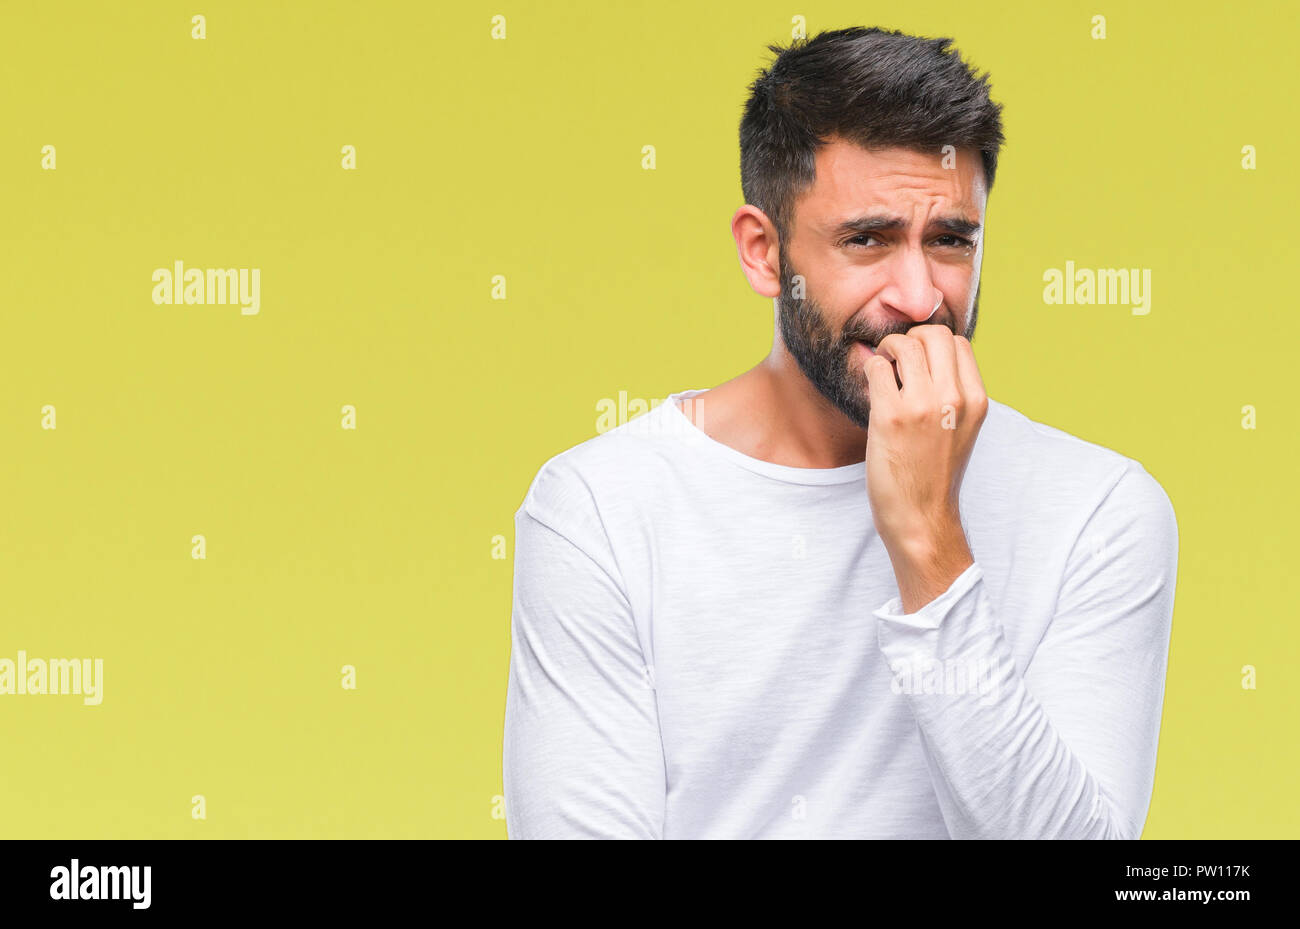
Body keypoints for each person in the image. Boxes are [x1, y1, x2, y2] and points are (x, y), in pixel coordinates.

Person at [502, 26, 1178, 839]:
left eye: (950, 240)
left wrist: (930, 544)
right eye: (868, 239)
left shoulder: (1101, 512)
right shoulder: (597, 508)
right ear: (763, 253)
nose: (920, 296)